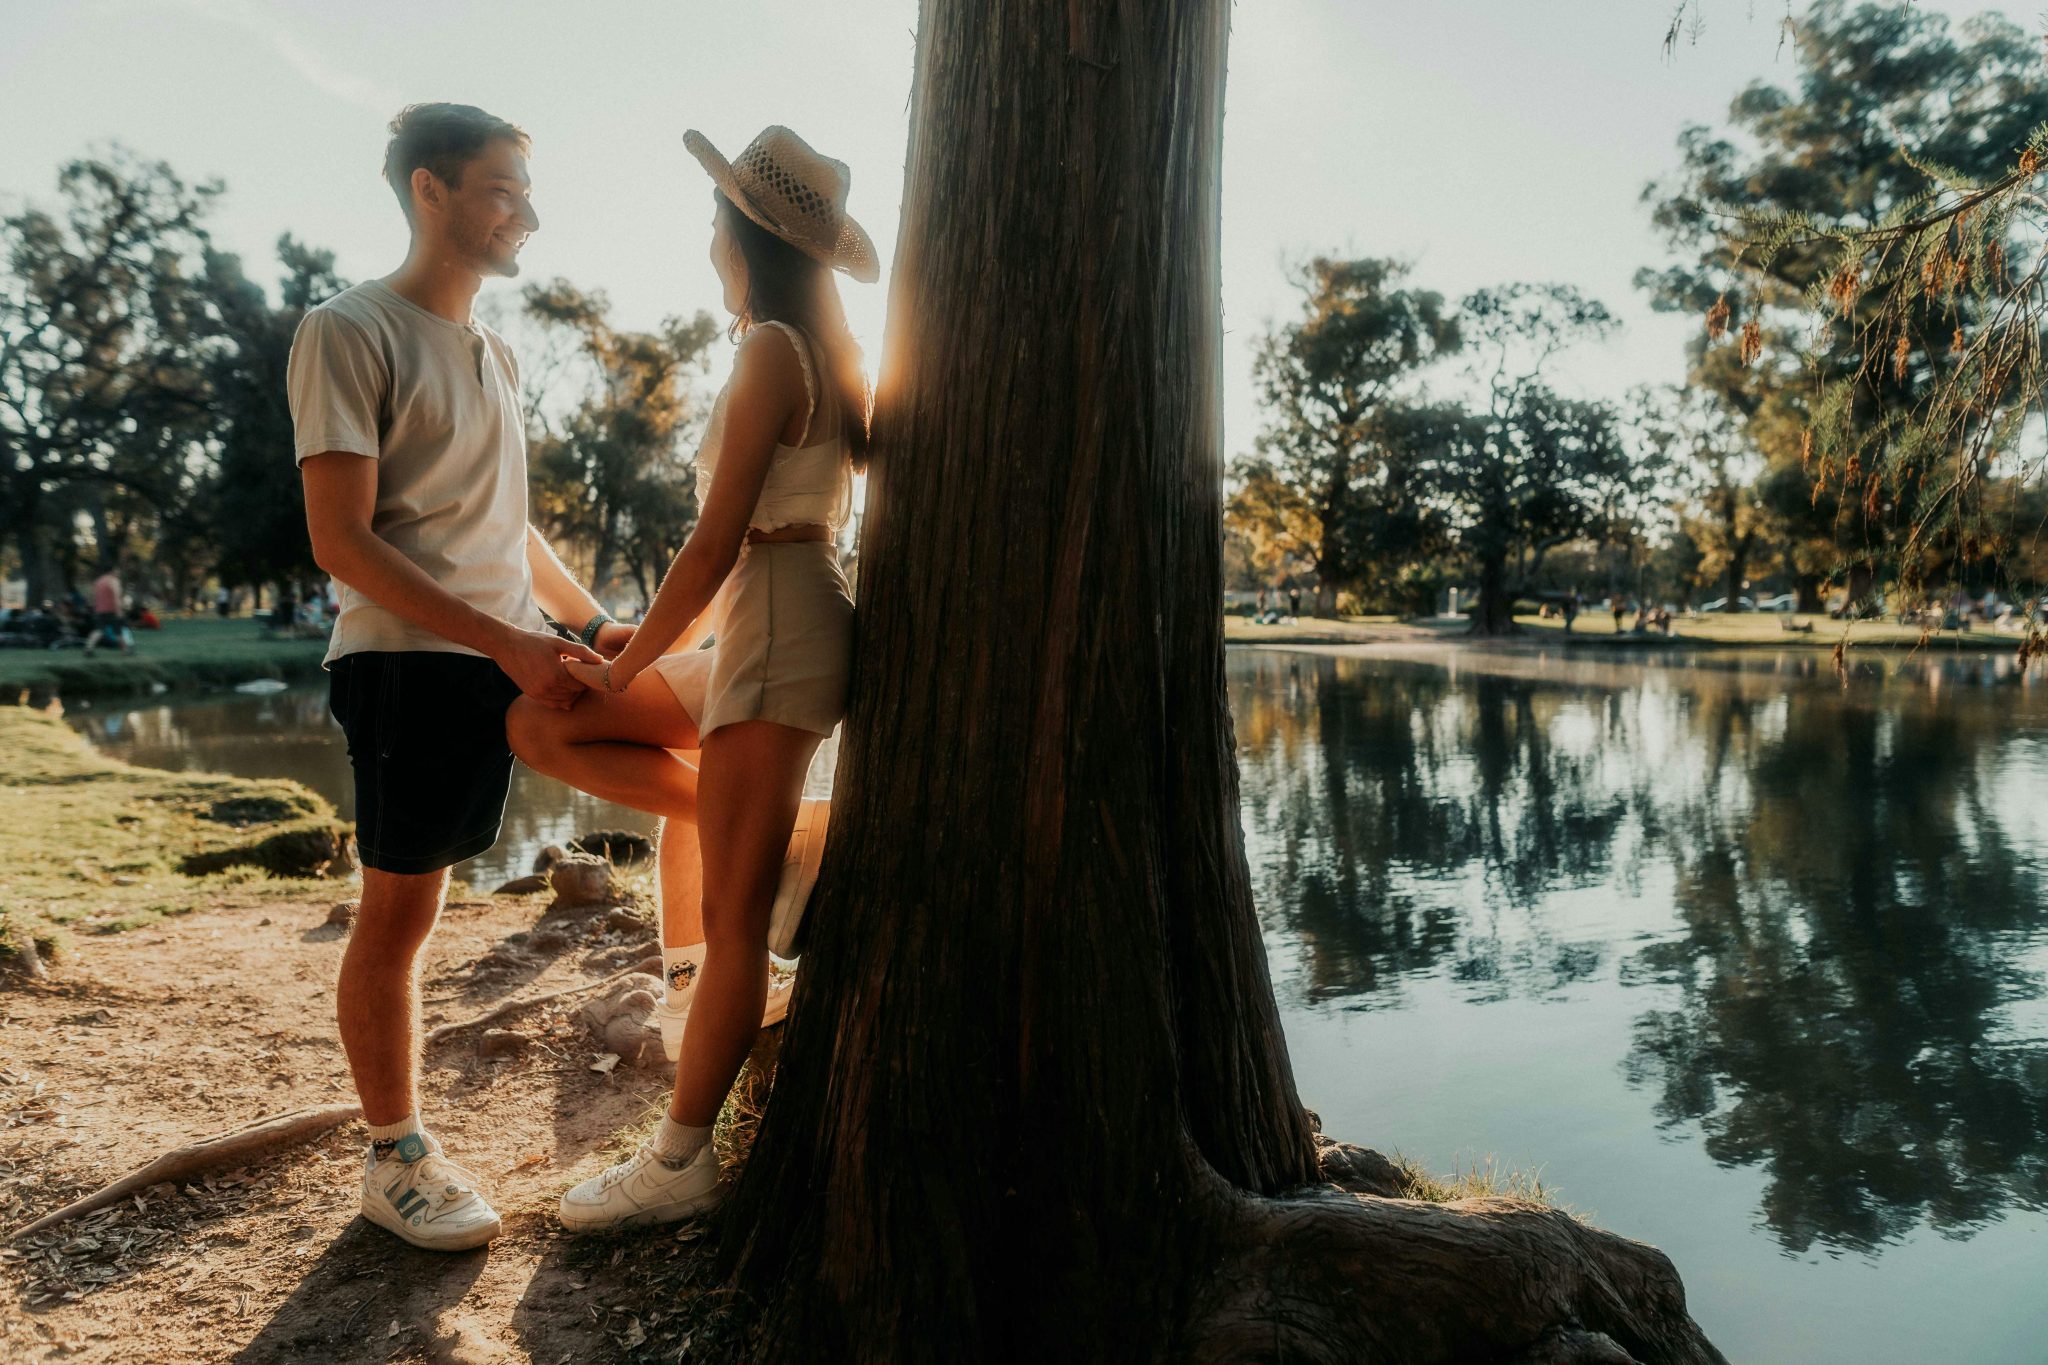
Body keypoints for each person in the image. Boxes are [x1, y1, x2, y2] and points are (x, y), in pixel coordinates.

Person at [505, 124, 873, 1233]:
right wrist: (631, 649)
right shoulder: (811, 348)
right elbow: (752, 544)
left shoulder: (773, 352)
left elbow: (717, 543)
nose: (706, 232)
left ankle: (678, 1160)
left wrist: (644, 652)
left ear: (741, 234)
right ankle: (796, 834)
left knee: (732, 920)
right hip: (761, 621)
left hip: (770, 633)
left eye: (715, 217)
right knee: (543, 720)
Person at [289, 103, 623, 1252]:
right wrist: (508, 642)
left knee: (675, 746)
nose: (526, 213)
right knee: (401, 915)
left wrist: (588, 621)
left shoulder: (498, 348)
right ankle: (394, 1158)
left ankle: (719, 982)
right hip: (409, 668)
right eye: (501, 190)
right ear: (429, 191)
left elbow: (506, 524)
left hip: (504, 655)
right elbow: (341, 539)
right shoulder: (349, 328)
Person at [84, 564, 132, 653]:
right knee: (118, 631)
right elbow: (116, 597)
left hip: (100, 610)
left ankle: (88, 647)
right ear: (112, 571)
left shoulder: (98, 581)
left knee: (98, 630)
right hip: (112, 610)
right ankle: (126, 650)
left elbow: (94, 596)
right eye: (117, 570)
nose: (118, 572)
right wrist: (119, 610)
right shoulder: (113, 581)